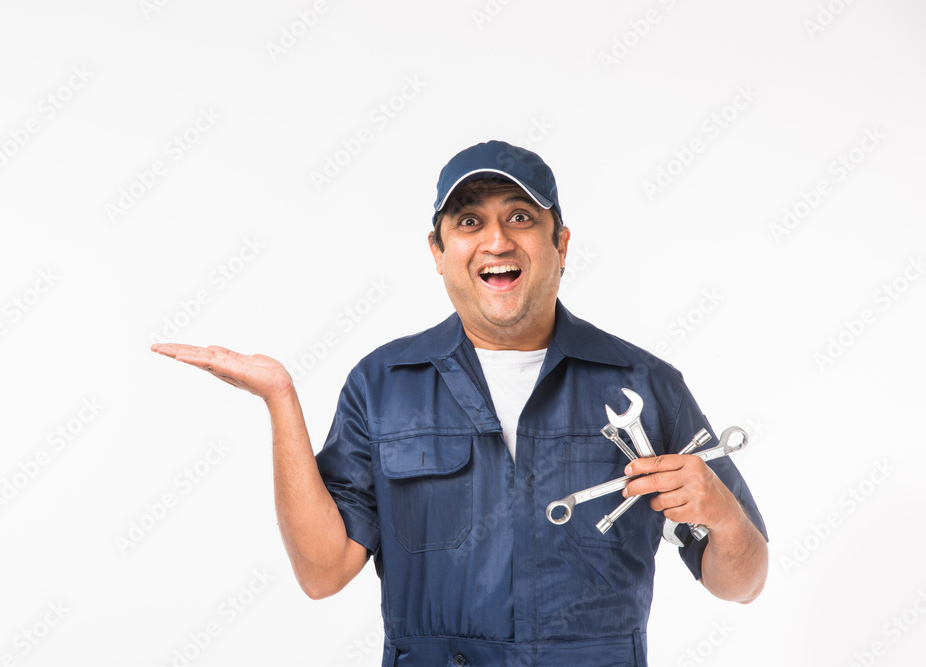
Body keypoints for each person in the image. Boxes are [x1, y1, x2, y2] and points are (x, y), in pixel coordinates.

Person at [151, 140, 769, 666]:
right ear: (438, 252)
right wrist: (281, 402)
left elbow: (743, 583)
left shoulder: (644, 382)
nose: (496, 240)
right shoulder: (383, 382)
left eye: (521, 217)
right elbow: (322, 573)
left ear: (561, 243)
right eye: (469, 222)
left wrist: (719, 511)